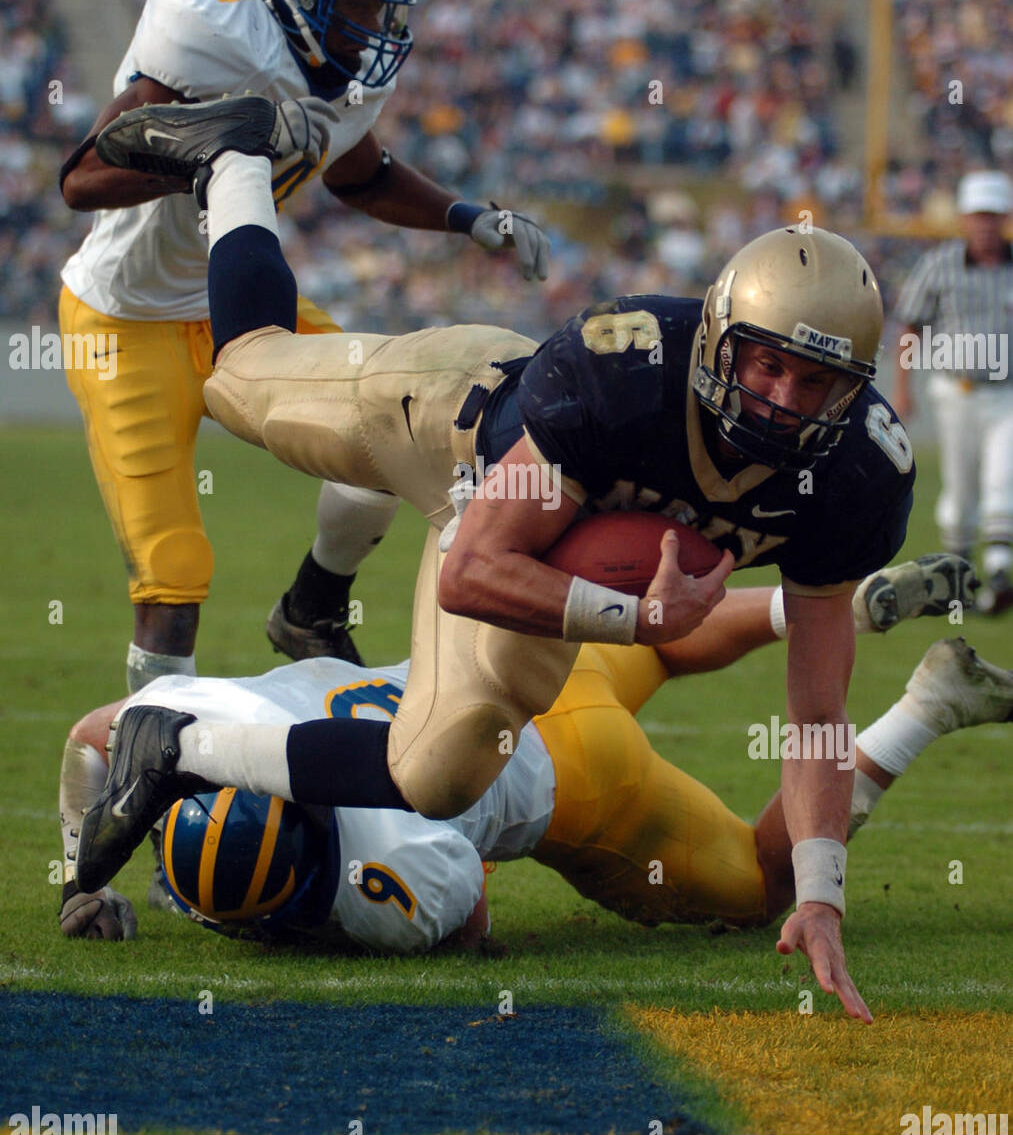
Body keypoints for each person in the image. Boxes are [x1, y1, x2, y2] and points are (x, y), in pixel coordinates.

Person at [77, 95, 922, 1020]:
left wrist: (819, 893)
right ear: (719, 340)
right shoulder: (625, 377)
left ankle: (184, 749)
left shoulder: (854, 479)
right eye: (764, 365)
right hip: (452, 430)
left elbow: (816, 715)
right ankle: (234, 159)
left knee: (438, 778)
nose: (780, 399)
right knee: (238, 374)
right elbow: (471, 569)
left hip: (532, 532)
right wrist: (639, 620)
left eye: (814, 380)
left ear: (854, 390)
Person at [58, 0, 550, 702]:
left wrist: (469, 217)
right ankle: (143, 766)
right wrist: (223, 133)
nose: (375, 31)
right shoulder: (210, 38)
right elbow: (82, 178)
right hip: (127, 318)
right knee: (173, 576)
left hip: (237, 313)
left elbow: (363, 176)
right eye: (356, 7)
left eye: (384, 10)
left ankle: (312, 607)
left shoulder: (344, 82)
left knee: (394, 419)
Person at [59, 581, 1008, 957]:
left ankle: (927, 708)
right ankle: (812, 607)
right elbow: (93, 739)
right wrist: (80, 873)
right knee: (663, 640)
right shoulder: (200, 726)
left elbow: (467, 912)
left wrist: (83, 873)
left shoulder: (375, 873)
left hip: (579, 776)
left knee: (762, 885)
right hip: (512, 663)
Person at [894, 170, 1013, 615]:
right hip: (955, 389)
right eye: (979, 215)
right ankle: (958, 579)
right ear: (965, 218)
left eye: (994, 215)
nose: (986, 224)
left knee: (1004, 475)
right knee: (961, 489)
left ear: (1005, 218)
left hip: (1007, 392)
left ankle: (1000, 569)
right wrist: (903, 388)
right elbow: (910, 323)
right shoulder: (940, 263)